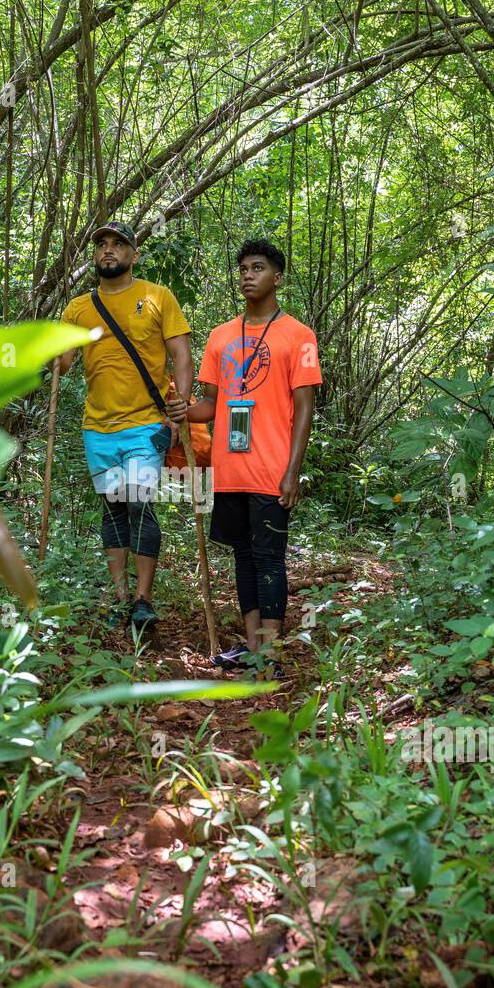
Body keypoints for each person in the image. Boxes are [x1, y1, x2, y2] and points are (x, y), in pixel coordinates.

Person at [168, 239, 321, 670]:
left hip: (272, 469)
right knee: (242, 555)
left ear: (278, 277)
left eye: (257, 268)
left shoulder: (299, 336)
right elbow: (210, 406)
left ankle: (269, 651)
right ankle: (252, 646)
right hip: (230, 469)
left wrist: (292, 472)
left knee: (269, 556)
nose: (248, 276)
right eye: (242, 269)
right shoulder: (221, 335)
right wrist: (183, 410)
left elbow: (305, 407)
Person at [58, 222, 194, 631]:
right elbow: (62, 362)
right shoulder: (78, 308)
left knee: (139, 500)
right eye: (101, 245)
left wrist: (180, 406)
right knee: (113, 507)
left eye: (118, 244)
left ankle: (143, 599)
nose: (108, 251)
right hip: (97, 427)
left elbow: (181, 356)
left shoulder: (157, 297)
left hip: (145, 423)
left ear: (134, 255)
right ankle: (119, 596)